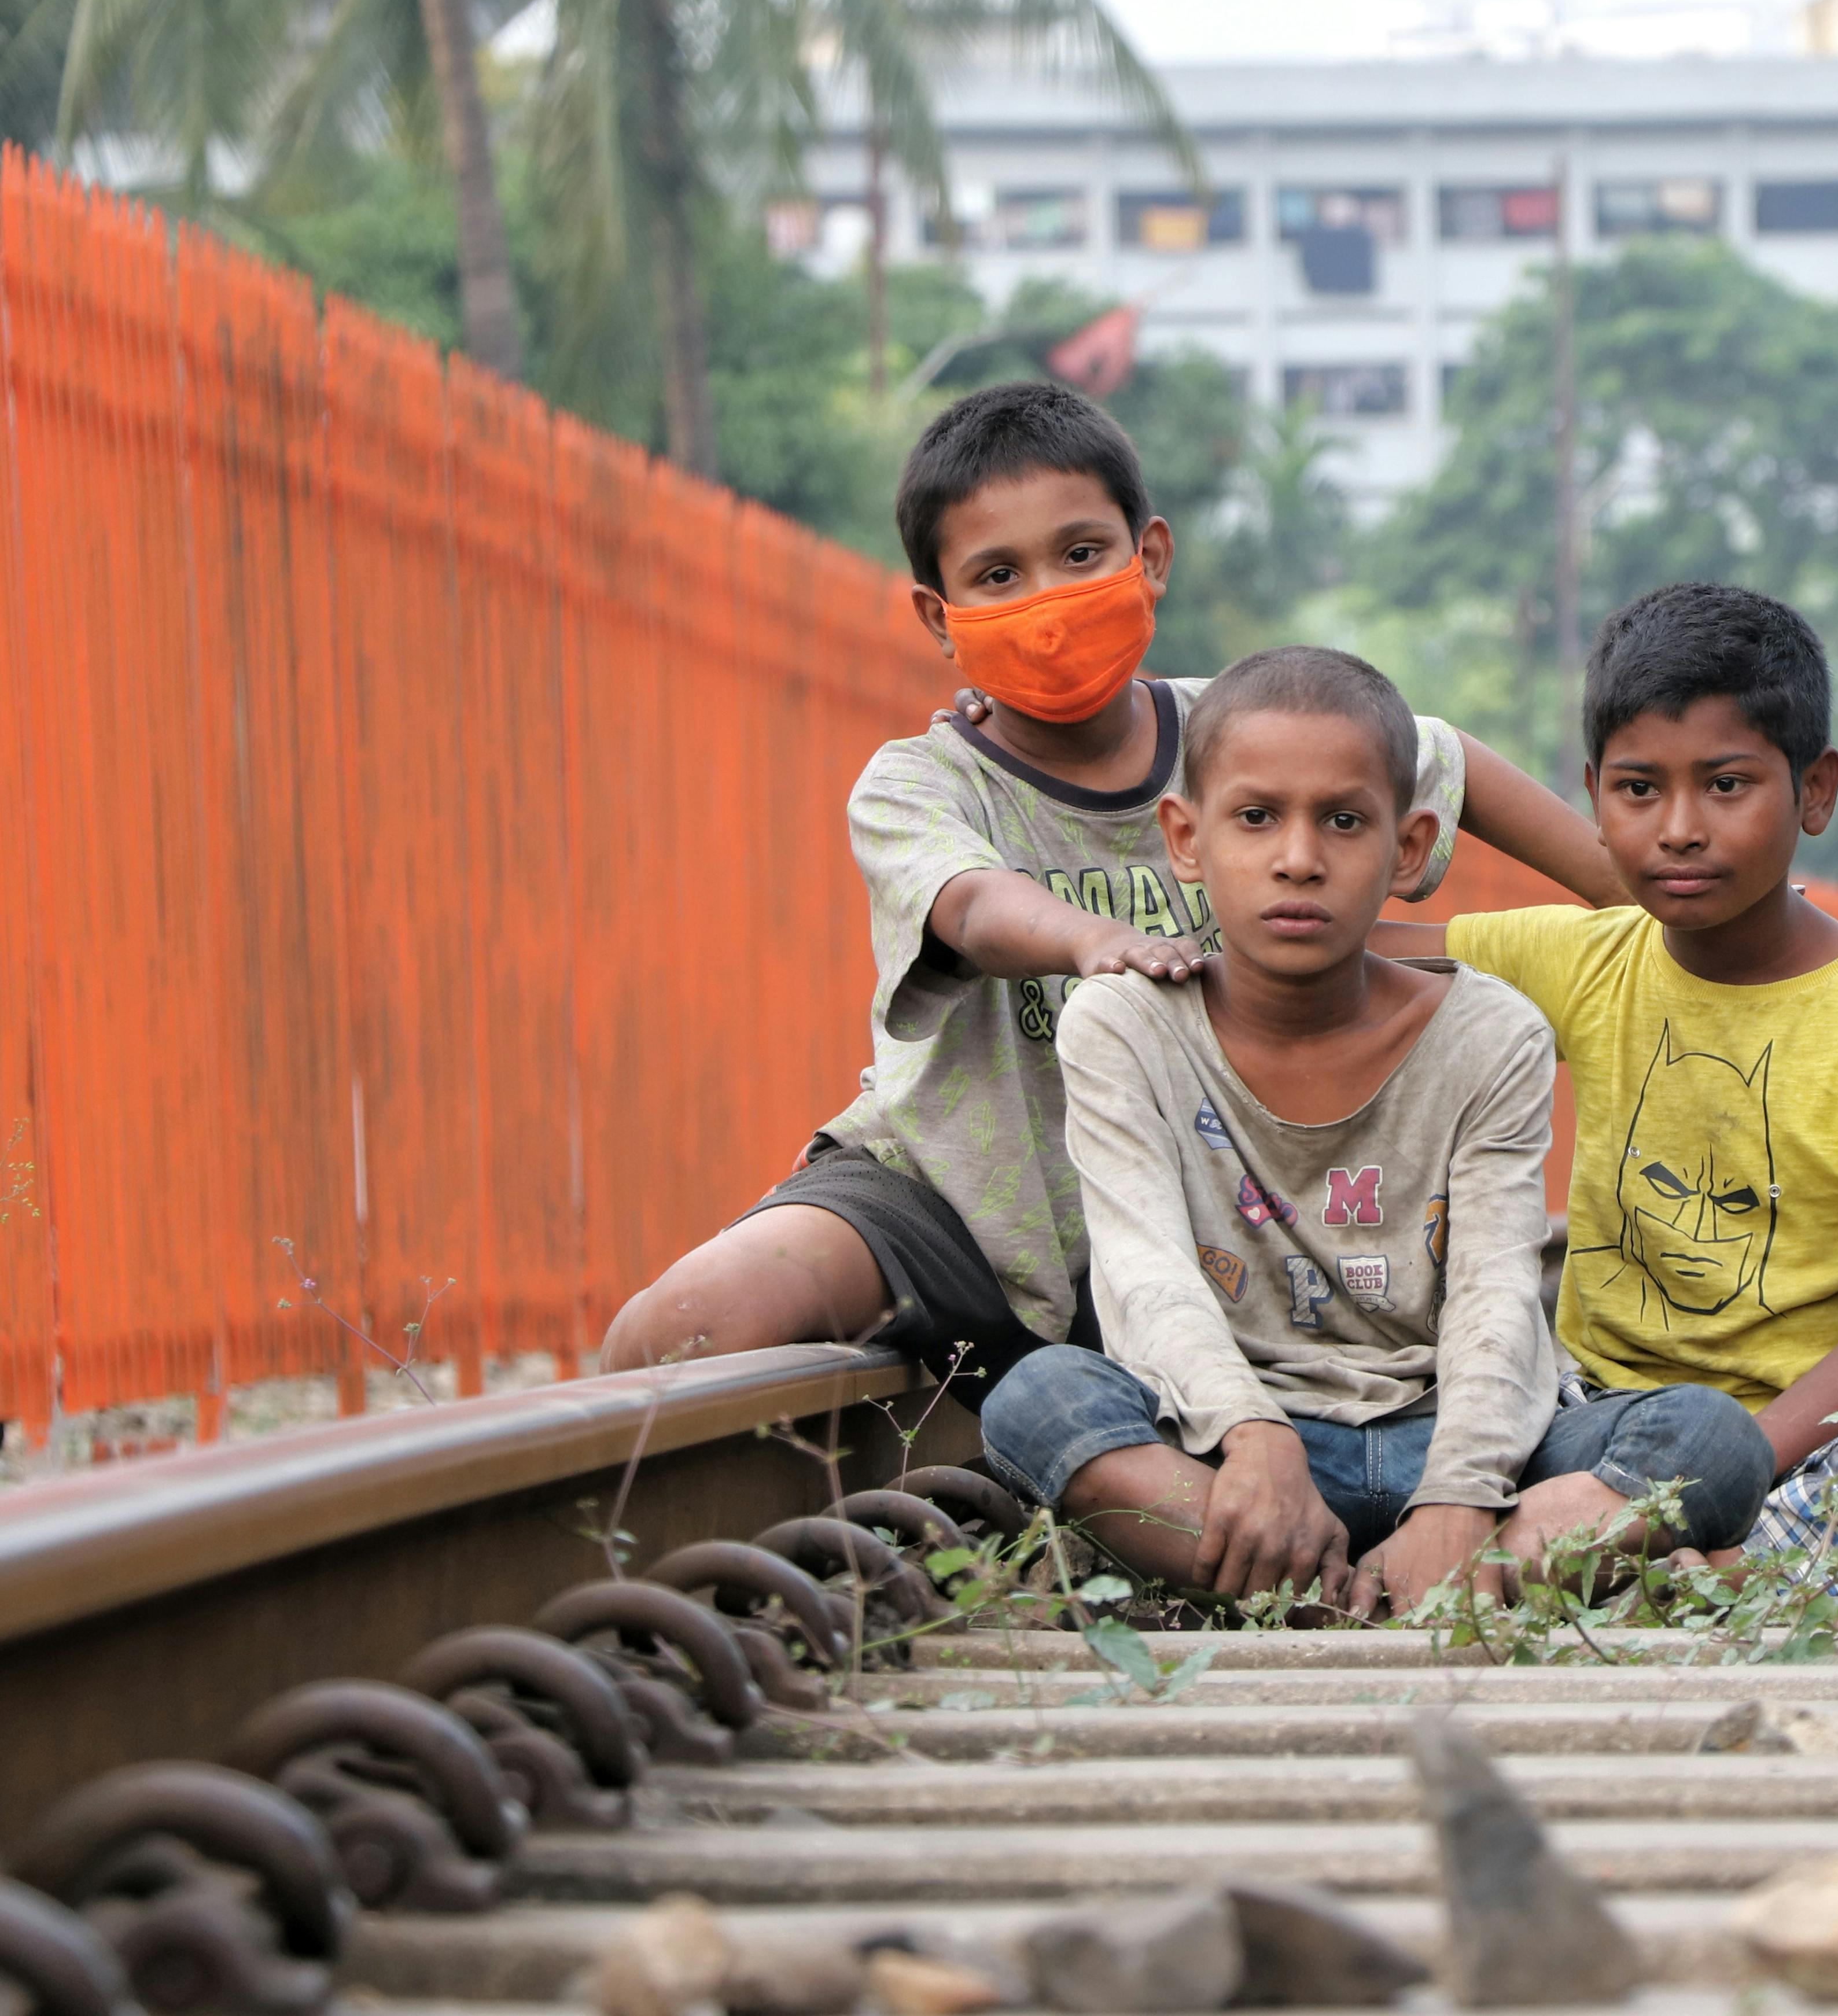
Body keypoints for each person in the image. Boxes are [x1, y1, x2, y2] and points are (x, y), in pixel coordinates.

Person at [599, 382, 1614, 1402]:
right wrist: (1092, 940)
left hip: (1216, 1217)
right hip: (955, 1195)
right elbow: (970, 904)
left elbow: (1444, 759)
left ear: (1150, 556)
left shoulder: (1249, 737)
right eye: (998, 574)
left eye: (1081, 554)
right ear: (938, 617)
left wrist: (1634, 891)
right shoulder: (922, 782)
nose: (1048, 598)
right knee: (673, 1333)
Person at [973, 649, 1770, 1615]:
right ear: (1184, 838)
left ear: (1407, 848)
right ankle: (1471, 1577)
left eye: (1343, 821)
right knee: (1038, 1401)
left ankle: (1356, 1576)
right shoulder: (1126, 1024)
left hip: (1458, 1435)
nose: (1299, 857)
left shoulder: (1492, 1033)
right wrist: (1252, 1436)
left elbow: (1494, 1289)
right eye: (1256, 817)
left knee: (1711, 1438)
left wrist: (1457, 1493)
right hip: (1235, 1446)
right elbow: (1144, 1273)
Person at [1383, 584, 1838, 1590]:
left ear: (1816, 790)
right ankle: (1671, 1562)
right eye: (1637, 790)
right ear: (1592, 796)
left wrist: (1718, 1468)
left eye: (1725, 784)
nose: (1677, 828)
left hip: (1795, 1450)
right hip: (1591, 1428)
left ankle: (1669, 1557)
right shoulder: (1583, 959)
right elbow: (1329, 954)